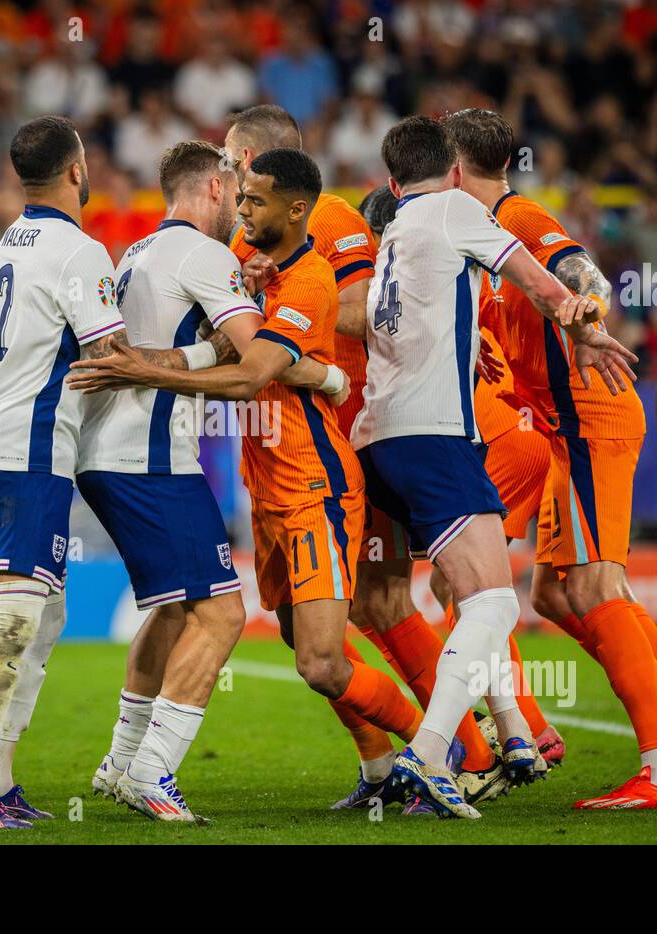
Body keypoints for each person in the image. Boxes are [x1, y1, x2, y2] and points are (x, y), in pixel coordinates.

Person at [70, 149, 430, 806]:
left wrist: (162, 355)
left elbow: (221, 352)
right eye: (238, 194)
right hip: (157, 459)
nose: (241, 210)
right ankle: (151, 770)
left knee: (174, 610)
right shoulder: (207, 259)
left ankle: (124, 762)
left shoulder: (136, 255)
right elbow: (248, 365)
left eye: (254, 200)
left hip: (113, 455)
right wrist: (326, 374)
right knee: (226, 617)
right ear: (214, 186)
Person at [444, 108, 657, 810]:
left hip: (588, 418)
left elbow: (584, 272)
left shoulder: (518, 217)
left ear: (454, 170)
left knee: (598, 587)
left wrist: (583, 321)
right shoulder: (486, 237)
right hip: (560, 426)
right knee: (549, 593)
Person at [352, 116, 636, 818]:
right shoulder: (457, 209)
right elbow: (543, 283)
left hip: (378, 436)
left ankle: (513, 730)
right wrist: (583, 321)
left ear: (392, 181)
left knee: (463, 590)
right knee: (493, 601)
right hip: (434, 433)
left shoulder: (392, 230)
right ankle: (429, 750)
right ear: (454, 169)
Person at [225, 104, 448, 812]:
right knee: (311, 629)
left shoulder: (334, 234)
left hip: (334, 445)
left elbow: (358, 317)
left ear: (269, 166)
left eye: (237, 167)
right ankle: (385, 767)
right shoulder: (246, 243)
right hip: (268, 464)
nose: (231, 184)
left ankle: (460, 750)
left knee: (368, 613)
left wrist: (307, 359)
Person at [0, 116, 135, 829]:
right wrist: (200, 357)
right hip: (26, 443)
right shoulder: (80, 250)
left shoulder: (3, 250)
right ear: (77, 172)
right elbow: (112, 354)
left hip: (10, 436)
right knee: (17, 613)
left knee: (44, 614)